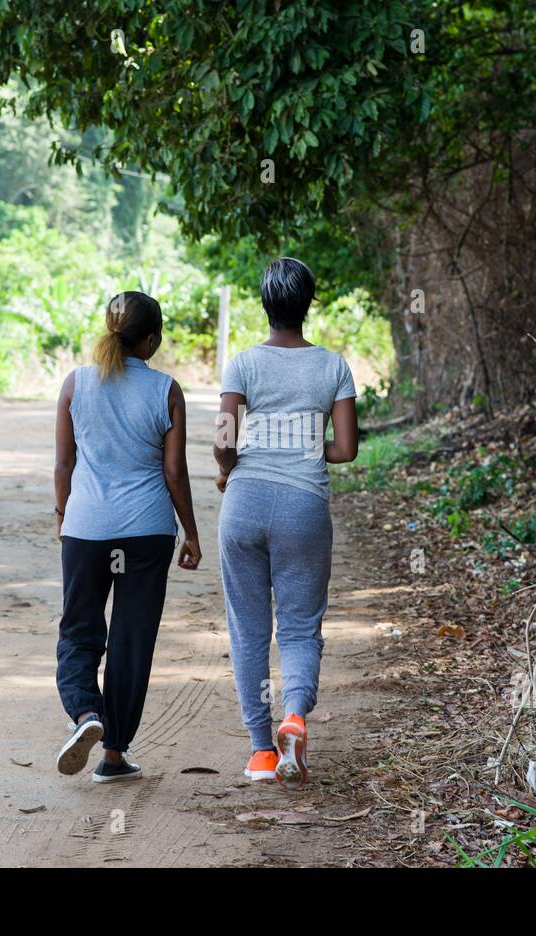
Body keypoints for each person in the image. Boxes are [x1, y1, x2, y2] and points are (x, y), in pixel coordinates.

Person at [213, 258, 358, 789]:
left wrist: (228, 472)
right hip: (304, 507)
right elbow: (344, 448)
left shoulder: (243, 363)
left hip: (245, 503)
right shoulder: (334, 367)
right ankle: (294, 715)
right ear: (308, 303)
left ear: (266, 305)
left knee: (249, 629)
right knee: (299, 625)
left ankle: (259, 751)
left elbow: (225, 441)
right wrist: (300, 447)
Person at [53, 291, 201, 783]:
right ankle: (113, 754)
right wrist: (192, 534)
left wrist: (63, 517)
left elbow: (64, 464)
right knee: (131, 641)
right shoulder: (167, 390)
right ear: (153, 339)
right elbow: (175, 472)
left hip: (87, 530)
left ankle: (84, 714)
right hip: (146, 533)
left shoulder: (75, 384)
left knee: (79, 630)